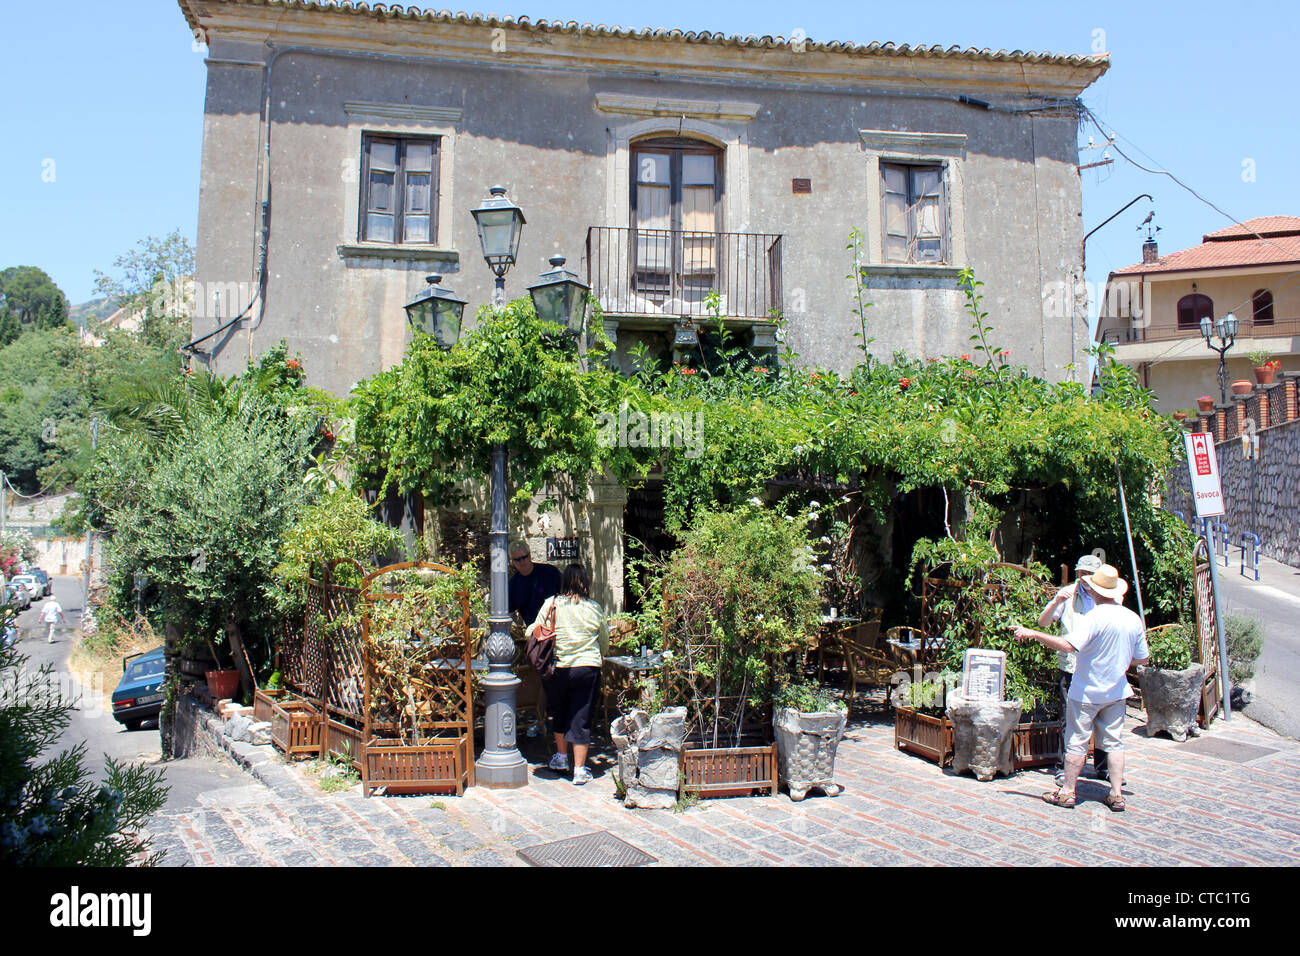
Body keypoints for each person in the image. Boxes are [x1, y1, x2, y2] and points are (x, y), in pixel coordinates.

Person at [1014, 564, 1148, 812]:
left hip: (1086, 691)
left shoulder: (1094, 618)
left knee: (1076, 742)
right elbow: (1142, 659)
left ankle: (1067, 792)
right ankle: (1116, 794)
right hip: (1116, 692)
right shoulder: (1132, 618)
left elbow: (1067, 645)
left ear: (1095, 590)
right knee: (1114, 743)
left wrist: (1033, 634)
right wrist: (1118, 661)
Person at [526, 564, 608, 785]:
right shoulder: (594, 608)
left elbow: (533, 630)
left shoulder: (552, 604)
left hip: (558, 667)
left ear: (564, 581)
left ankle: (561, 759)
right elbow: (604, 640)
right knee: (581, 717)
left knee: (559, 712)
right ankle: (580, 770)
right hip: (587, 667)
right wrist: (601, 652)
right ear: (585, 582)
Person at [1038, 553, 1111, 784]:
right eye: (1081, 574)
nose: (1084, 578)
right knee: (1069, 717)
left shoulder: (1108, 596)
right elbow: (1043, 622)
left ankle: (1103, 767)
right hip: (1072, 666)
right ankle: (1062, 766)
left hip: (1100, 666)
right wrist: (1058, 600)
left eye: (1089, 574)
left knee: (1103, 718)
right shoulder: (1068, 595)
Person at [507, 542, 561, 630]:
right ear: (512, 561)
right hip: (536, 633)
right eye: (517, 560)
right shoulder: (513, 585)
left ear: (529, 555)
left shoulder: (550, 572)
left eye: (524, 557)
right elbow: (509, 613)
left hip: (558, 627)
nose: (521, 562)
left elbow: (567, 596)